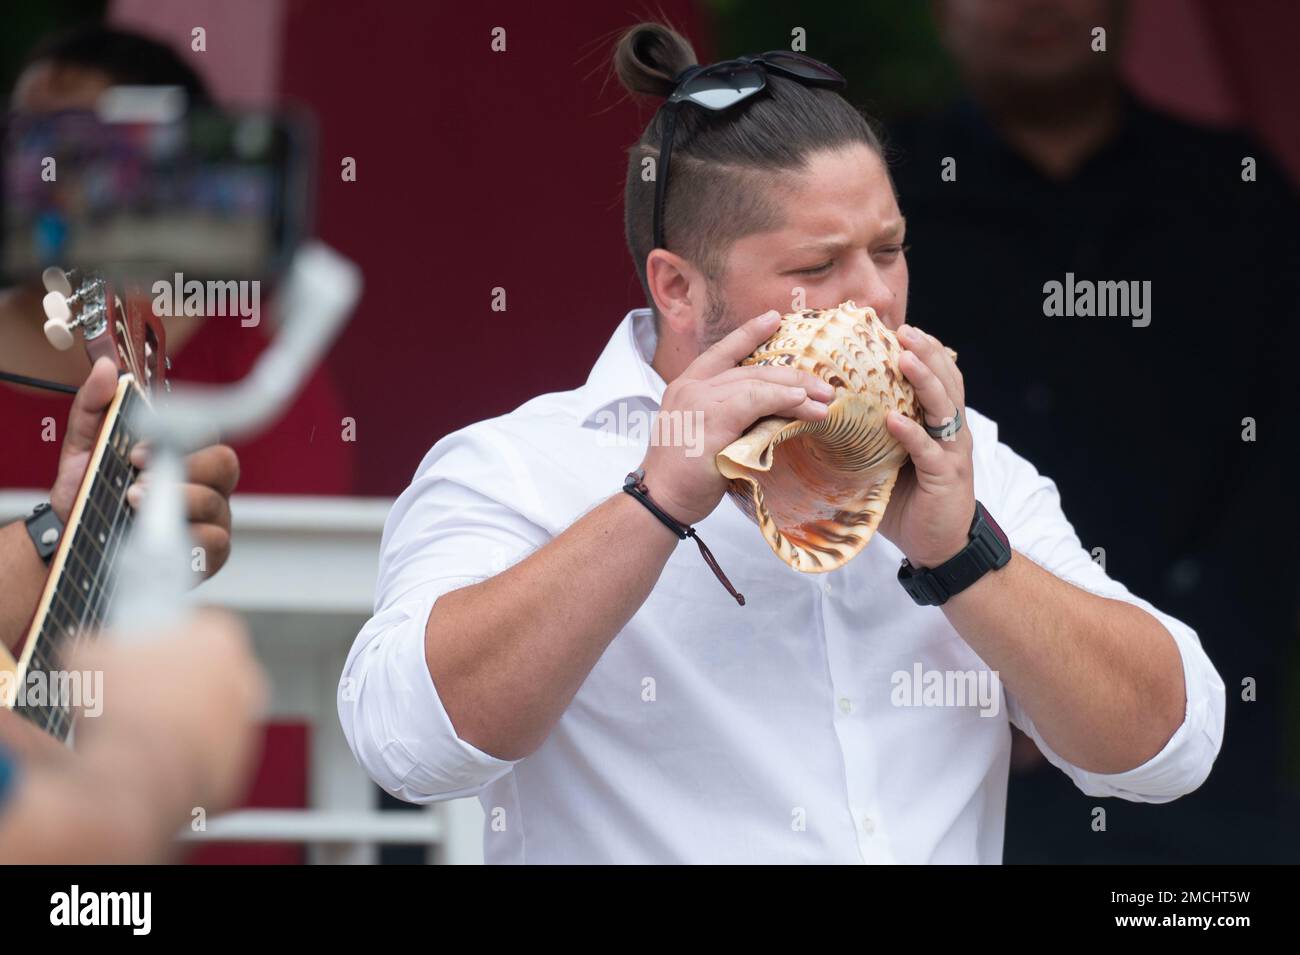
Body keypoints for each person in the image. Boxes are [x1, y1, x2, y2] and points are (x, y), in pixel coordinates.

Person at [338, 22, 1225, 864]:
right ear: (678, 289)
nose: (875, 297)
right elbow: (408, 746)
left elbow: (1168, 753)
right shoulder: (519, 465)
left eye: (890, 249)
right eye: (817, 267)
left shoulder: (968, 459)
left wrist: (962, 555)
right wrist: (653, 504)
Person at [886, 0, 1299, 861]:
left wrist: (1125, 683)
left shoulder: (1239, 192)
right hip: (949, 733)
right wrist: (1015, 671)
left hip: (1214, 745)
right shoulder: (883, 209)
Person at [0, 22, 354, 496]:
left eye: (85, 149)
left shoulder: (261, 365)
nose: (42, 176)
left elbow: (302, 544)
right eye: (26, 140)